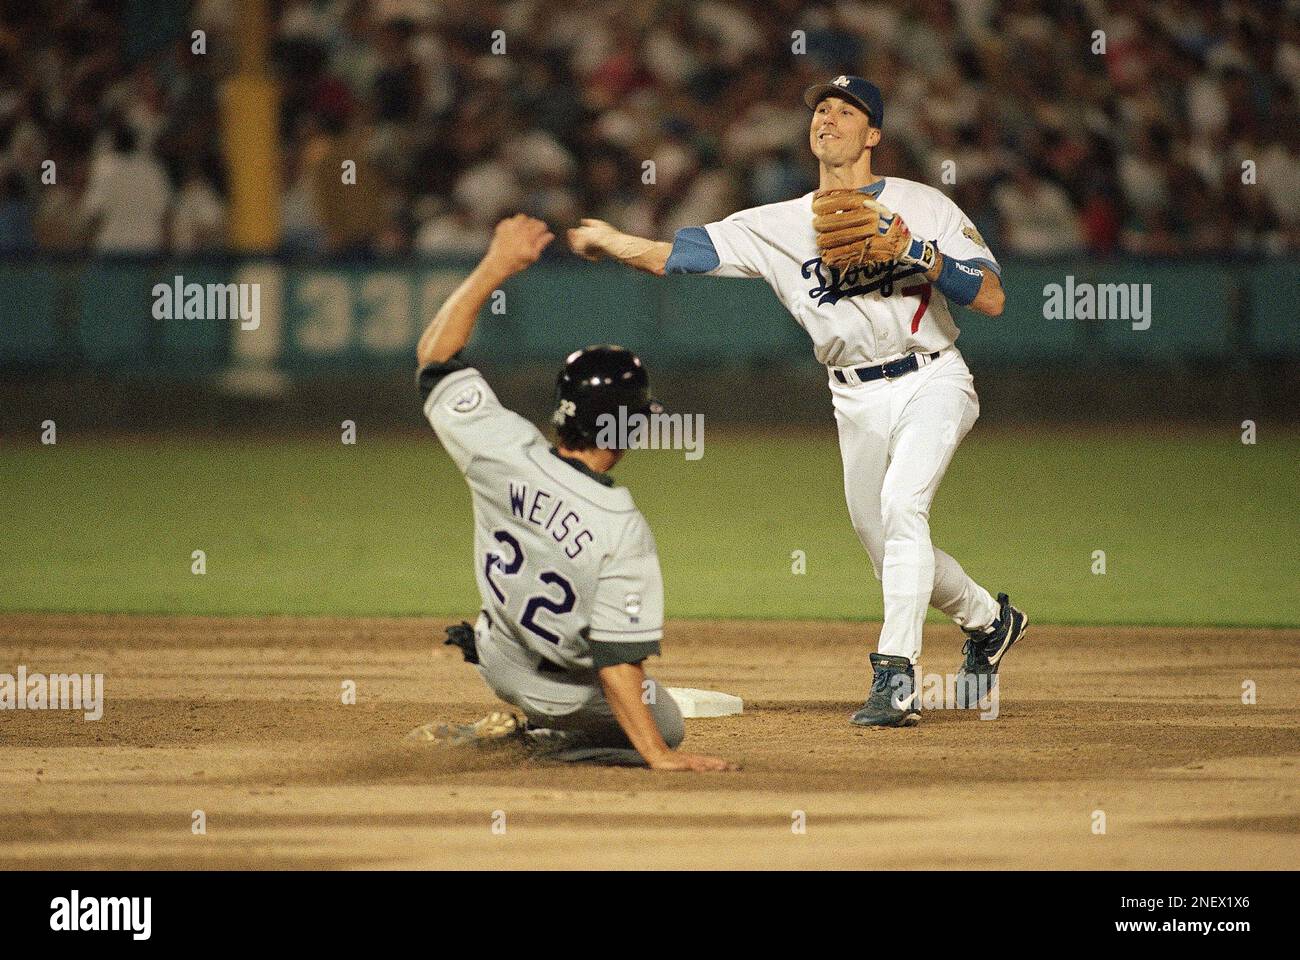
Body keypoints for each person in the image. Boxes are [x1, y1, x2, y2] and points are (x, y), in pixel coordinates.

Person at [567, 76, 1027, 728]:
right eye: (820, 109)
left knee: (902, 508)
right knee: (887, 540)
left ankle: (895, 676)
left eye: (846, 111)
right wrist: (611, 241)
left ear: (873, 135)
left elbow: (991, 298)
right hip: (853, 400)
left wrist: (919, 253)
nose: (828, 118)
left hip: (933, 377)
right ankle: (989, 620)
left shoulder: (922, 205)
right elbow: (676, 255)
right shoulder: (777, 224)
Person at [413, 213, 735, 770]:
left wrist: (497, 265)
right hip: (555, 690)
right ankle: (549, 740)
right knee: (665, 720)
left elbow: (435, 360)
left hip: (496, 654)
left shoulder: (503, 448)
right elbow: (616, 661)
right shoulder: (619, 525)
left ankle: (522, 714)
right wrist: (658, 755)